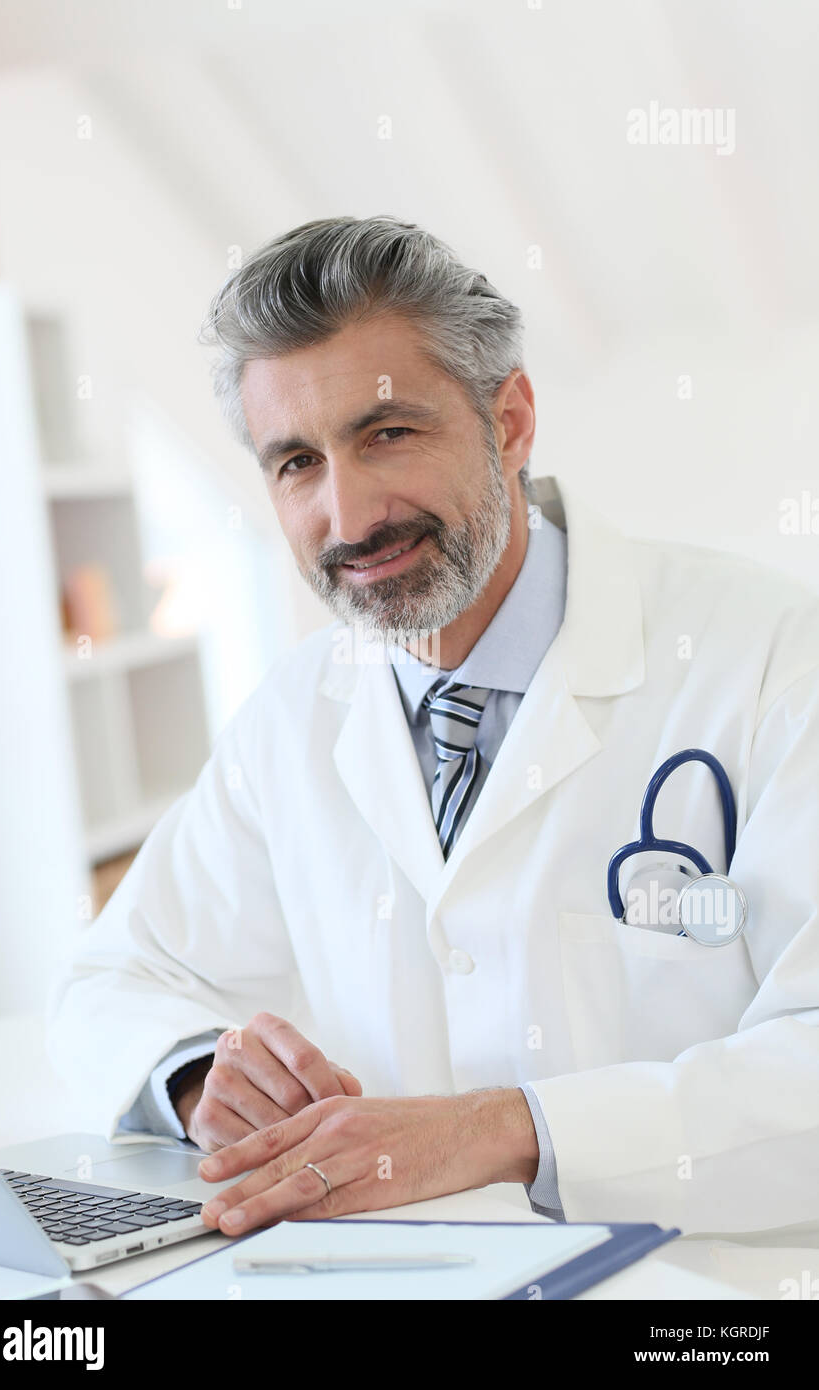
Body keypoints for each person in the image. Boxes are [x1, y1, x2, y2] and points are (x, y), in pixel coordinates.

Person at [47, 216, 819, 1240]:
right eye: (294, 463)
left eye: (386, 433)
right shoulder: (293, 716)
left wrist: (508, 1131)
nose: (349, 513)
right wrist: (196, 1076)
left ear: (508, 420)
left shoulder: (765, 655)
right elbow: (108, 978)